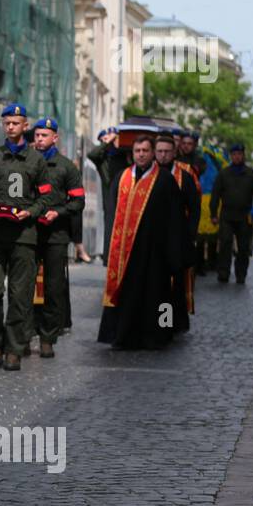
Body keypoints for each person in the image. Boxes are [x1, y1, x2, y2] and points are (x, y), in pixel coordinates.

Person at [0, 103, 56, 370]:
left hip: (24, 236)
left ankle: (14, 348)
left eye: (16, 123)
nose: (11, 127)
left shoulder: (36, 160)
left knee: (20, 295)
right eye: (7, 123)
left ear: (25, 126)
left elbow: (46, 197)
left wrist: (30, 212)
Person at [97, 135, 184, 350]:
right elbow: (110, 214)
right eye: (137, 151)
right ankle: (122, 336)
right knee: (126, 295)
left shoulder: (164, 180)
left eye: (145, 150)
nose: (141, 154)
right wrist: (109, 247)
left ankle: (157, 336)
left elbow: (175, 219)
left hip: (155, 251)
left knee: (157, 295)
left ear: (152, 152)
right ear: (132, 153)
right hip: (125, 253)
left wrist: (174, 253)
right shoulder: (122, 178)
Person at [29, 118, 85, 358]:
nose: (39, 139)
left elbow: (78, 202)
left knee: (53, 287)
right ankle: (22, 334)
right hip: (28, 233)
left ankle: (48, 337)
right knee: (24, 286)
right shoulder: (26, 163)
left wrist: (58, 212)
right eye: (37, 135)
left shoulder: (66, 167)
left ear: (55, 138)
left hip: (55, 235)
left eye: (44, 135)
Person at [159, 135, 199, 333]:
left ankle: (172, 323)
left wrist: (190, 236)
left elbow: (194, 208)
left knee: (175, 285)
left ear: (175, 152)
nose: (163, 155)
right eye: (160, 151)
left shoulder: (185, 175)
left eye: (167, 151)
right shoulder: (150, 174)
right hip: (155, 239)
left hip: (177, 239)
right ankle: (161, 323)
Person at [209, 142, 253, 283]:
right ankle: (223, 272)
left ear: (243, 155)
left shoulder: (251, 174)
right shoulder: (224, 174)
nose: (237, 157)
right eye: (234, 154)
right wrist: (213, 213)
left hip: (244, 216)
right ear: (231, 156)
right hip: (227, 215)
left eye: (239, 154)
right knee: (225, 245)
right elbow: (215, 194)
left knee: (243, 247)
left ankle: (241, 274)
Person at [86, 126, 131, 264]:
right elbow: (91, 154)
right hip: (110, 193)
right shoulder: (102, 157)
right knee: (110, 225)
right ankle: (108, 257)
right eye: (105, 139)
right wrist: (107, 142)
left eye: (113, 137)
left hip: (126, 191)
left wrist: (118, 141)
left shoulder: (124, 153)